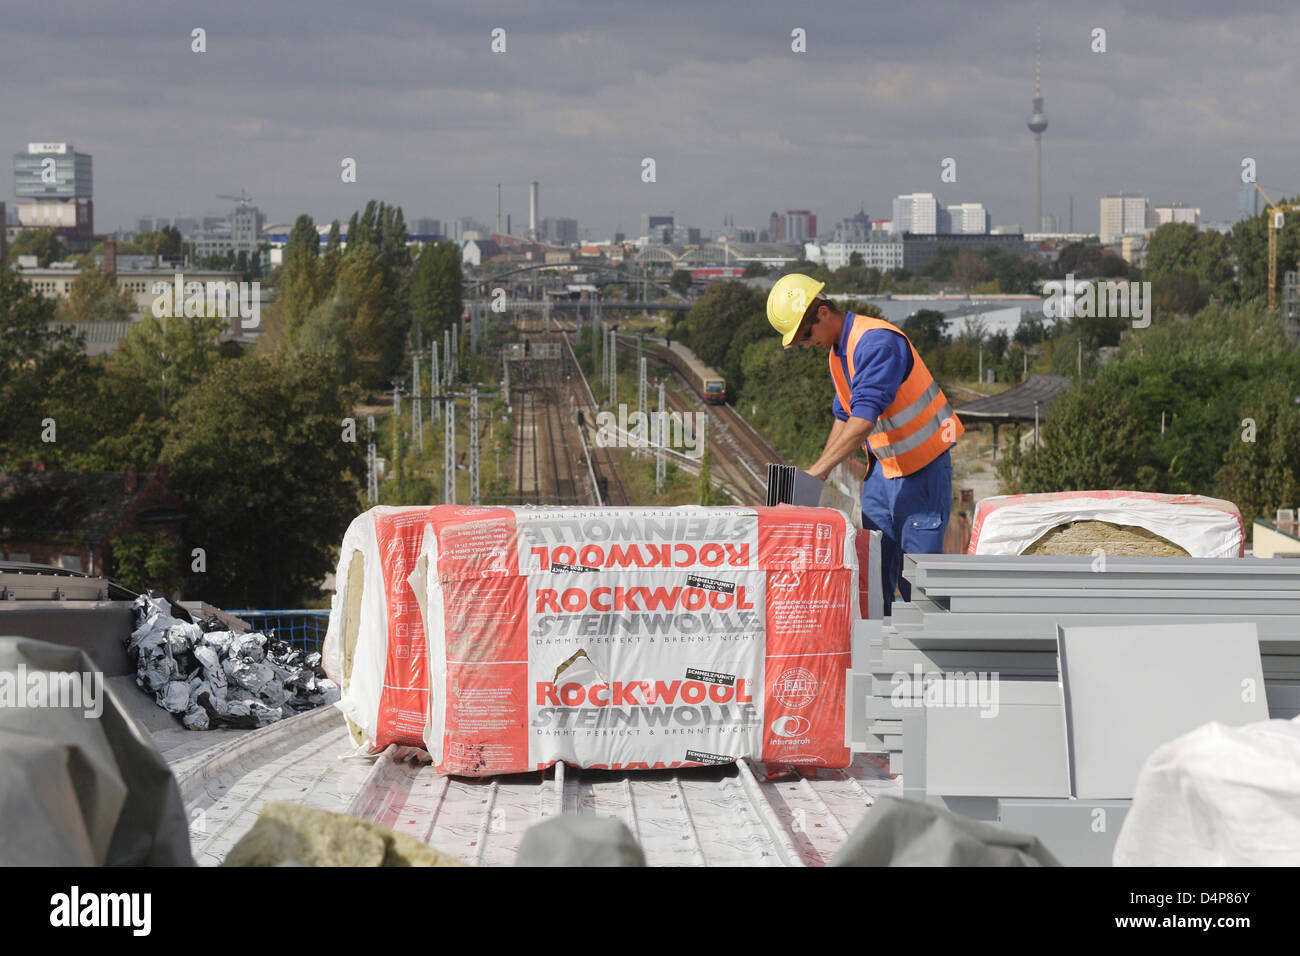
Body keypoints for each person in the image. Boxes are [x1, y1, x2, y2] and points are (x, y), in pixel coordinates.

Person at [766, 274, 964, 614]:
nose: (806, 344)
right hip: (882, 471)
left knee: (917, 578)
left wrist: (818, 470)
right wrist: (821, 471)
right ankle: (880, 650)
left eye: (806, 335)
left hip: (922, 470)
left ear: (824, 313)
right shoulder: (838, 354)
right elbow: (844, 417)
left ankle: (927, 656)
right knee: (874, 568)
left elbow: (863, 420)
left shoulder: (877, 344)